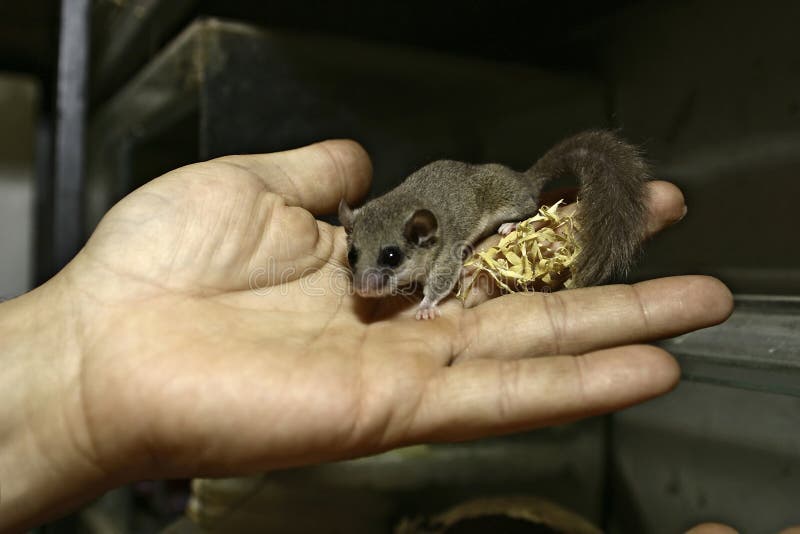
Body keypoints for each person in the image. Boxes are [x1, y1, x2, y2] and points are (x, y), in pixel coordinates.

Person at [0, 140, 733, 532]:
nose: (366, 281)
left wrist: (443, 291)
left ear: (418, 238)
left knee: (508, 199)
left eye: (387, 266)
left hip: (494, 192)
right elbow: (375, 256)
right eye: (357, 263)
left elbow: (446, 262)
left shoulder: (437, 236)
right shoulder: (376, 231)